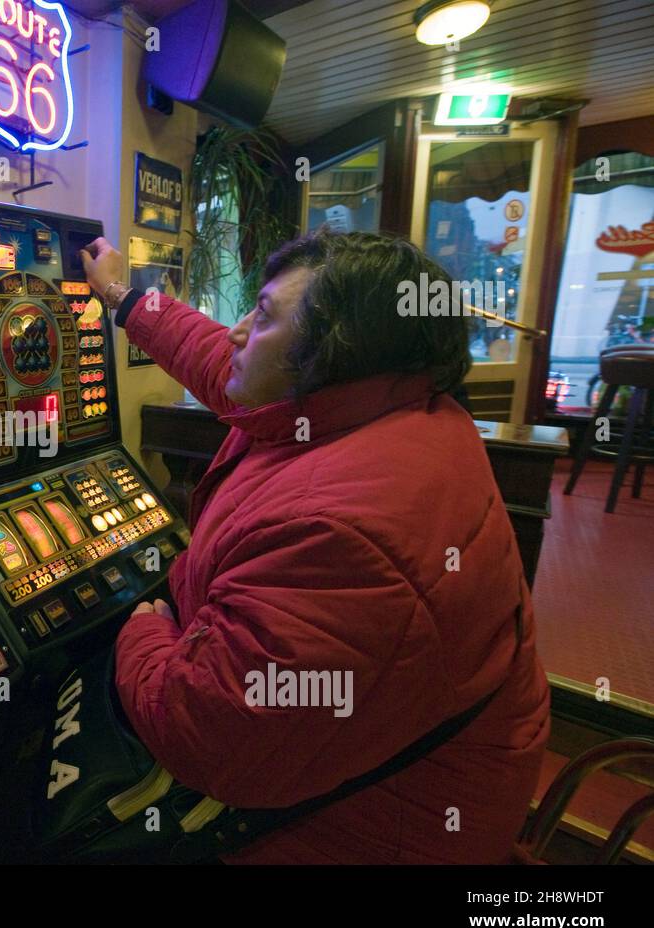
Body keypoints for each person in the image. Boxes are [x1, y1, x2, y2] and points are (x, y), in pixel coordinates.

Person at [80, 230, 550, 864]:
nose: (237, 332)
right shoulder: (373, 403)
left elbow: (207, 739)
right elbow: (218, 358)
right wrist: (124, 298)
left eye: (264, 315)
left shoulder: (342, 534)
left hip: (362, 832)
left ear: (330, 354)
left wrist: (142, 632)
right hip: (375, 773)